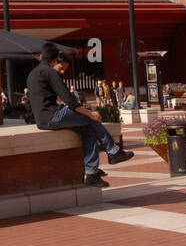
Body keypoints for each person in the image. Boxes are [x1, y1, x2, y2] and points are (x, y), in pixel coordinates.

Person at [27, 43, 133, 187]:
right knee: (91, 119)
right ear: (54, 60)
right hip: (53, 116)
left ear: (41, 57)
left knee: (88, 130)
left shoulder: (33, 74)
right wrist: (90, 114)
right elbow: (70, 100)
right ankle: (113, 151)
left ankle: (91, 173)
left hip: (42, 120)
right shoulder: (50, 72)